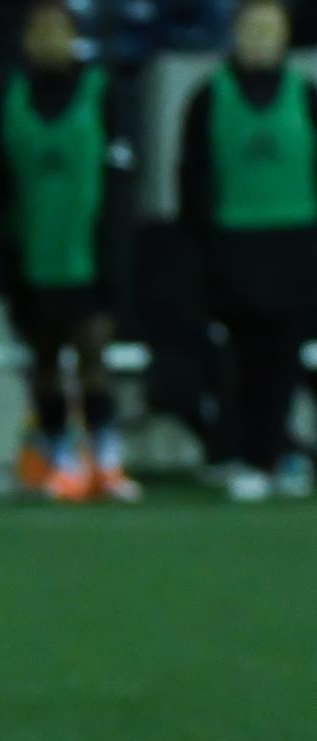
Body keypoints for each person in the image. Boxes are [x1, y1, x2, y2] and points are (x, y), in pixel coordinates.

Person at [0, 1, 140, 503]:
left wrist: (116, 253)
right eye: (40, 31)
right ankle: (59, 454)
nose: (50, 40)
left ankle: (107, 458)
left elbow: (120, 183)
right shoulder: (10, 95)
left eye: (60, 30)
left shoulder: (103, 92)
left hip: (90, 252)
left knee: (94, 352)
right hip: (32, 255)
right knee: (46, 361)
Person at [179, 0, 316, 501]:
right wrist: (206, 248)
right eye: (251, 28)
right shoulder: (209, 97)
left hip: (295, 247)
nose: (260, 38)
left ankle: (272, 454)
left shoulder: (305, 95)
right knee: (238, 359)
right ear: (234, 34)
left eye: (270, 29)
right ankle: (238, 452)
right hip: (233, 247)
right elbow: (192, 178)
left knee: (281, 359)